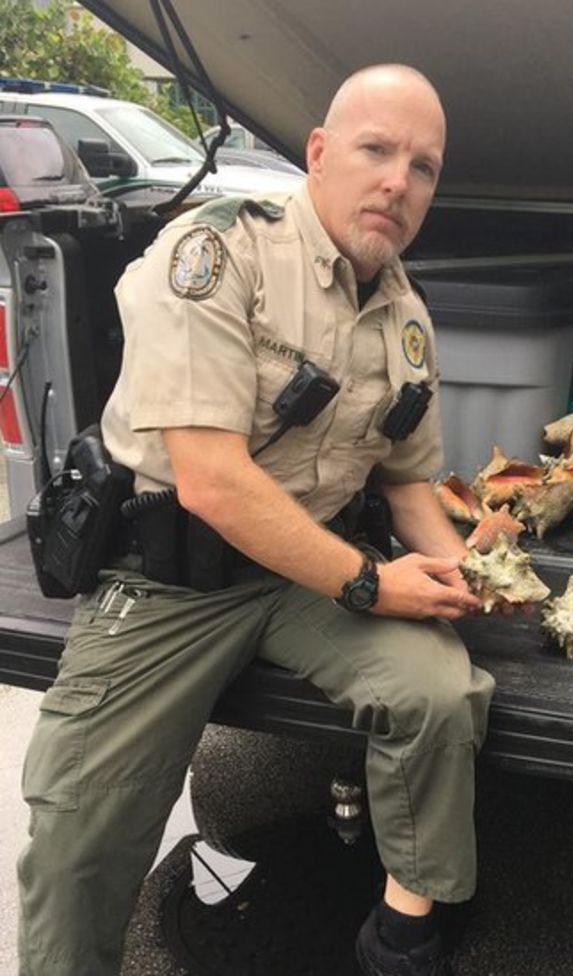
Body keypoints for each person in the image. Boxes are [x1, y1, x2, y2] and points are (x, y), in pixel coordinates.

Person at [18, 64, 495, 976]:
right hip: (168, 582)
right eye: (376, 150)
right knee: (82, 836)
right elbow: (210, 482)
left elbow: (406, 489)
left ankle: (402, 938)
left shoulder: (407, 321)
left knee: (438, 694)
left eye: (424, 166)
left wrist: (463, 567)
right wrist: (371, 581)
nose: (399, 181)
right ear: (319, 153)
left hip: (300, 574)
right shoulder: (216, 254)